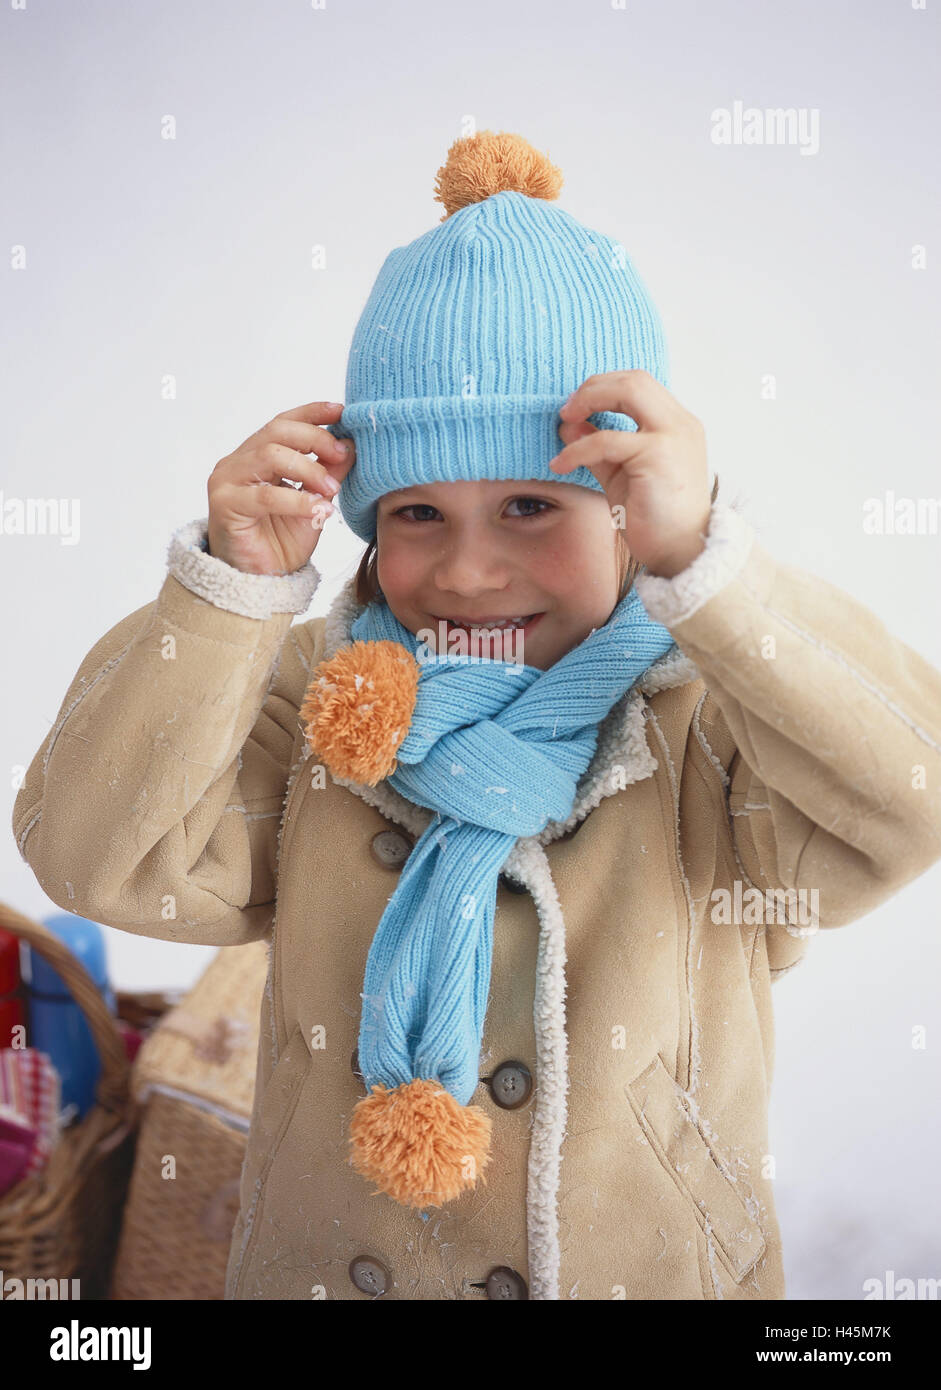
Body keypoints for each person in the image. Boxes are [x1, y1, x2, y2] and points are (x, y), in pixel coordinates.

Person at [13, 131, 941, 1301]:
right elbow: (96, 857)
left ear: (628, 509)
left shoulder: (713, 716)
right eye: (414, 512)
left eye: (525, 503)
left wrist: (715, 566)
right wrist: (229, 599)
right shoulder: (315, 698)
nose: (465, 572)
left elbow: (908, 798)